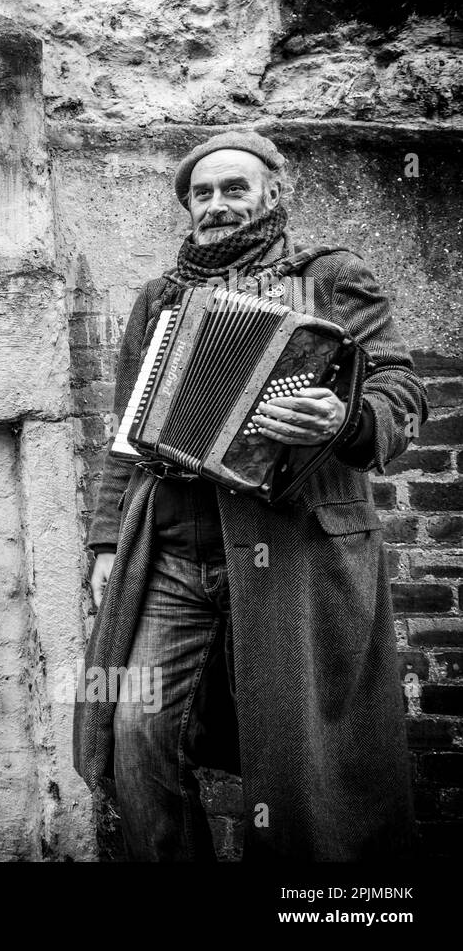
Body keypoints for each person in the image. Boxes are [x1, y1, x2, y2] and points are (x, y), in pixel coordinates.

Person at [73, 130, 427, 860]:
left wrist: (346, 416)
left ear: (274, 192)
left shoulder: (331, 276)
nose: (217, 204)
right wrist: (107, 542)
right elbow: (127, 432)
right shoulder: (158, 299)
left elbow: (401, 390)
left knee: (301, 756)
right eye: (201, 193)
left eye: (234, 188)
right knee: (137, 730)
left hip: (293, 547)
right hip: (172, 550)